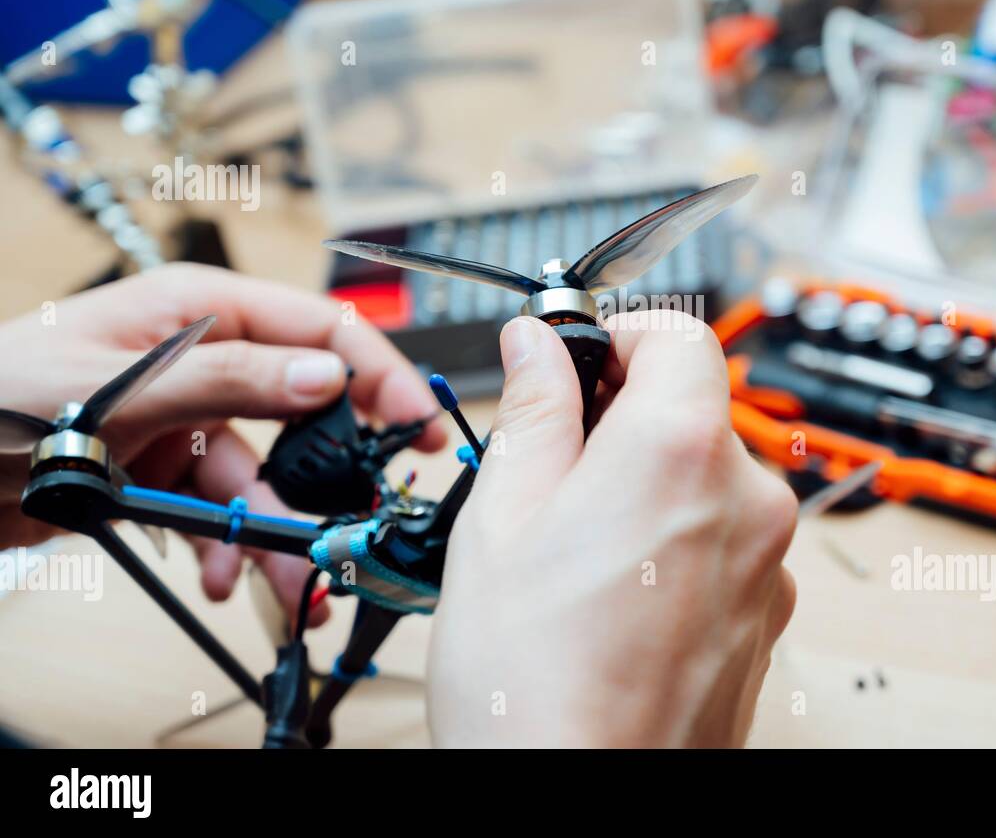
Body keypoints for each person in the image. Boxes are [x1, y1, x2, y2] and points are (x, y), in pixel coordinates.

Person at [0, 263, 797, 747]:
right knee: (312, 653)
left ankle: (314, 700)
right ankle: (305, 709)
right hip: (376, 555)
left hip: (396, 555)